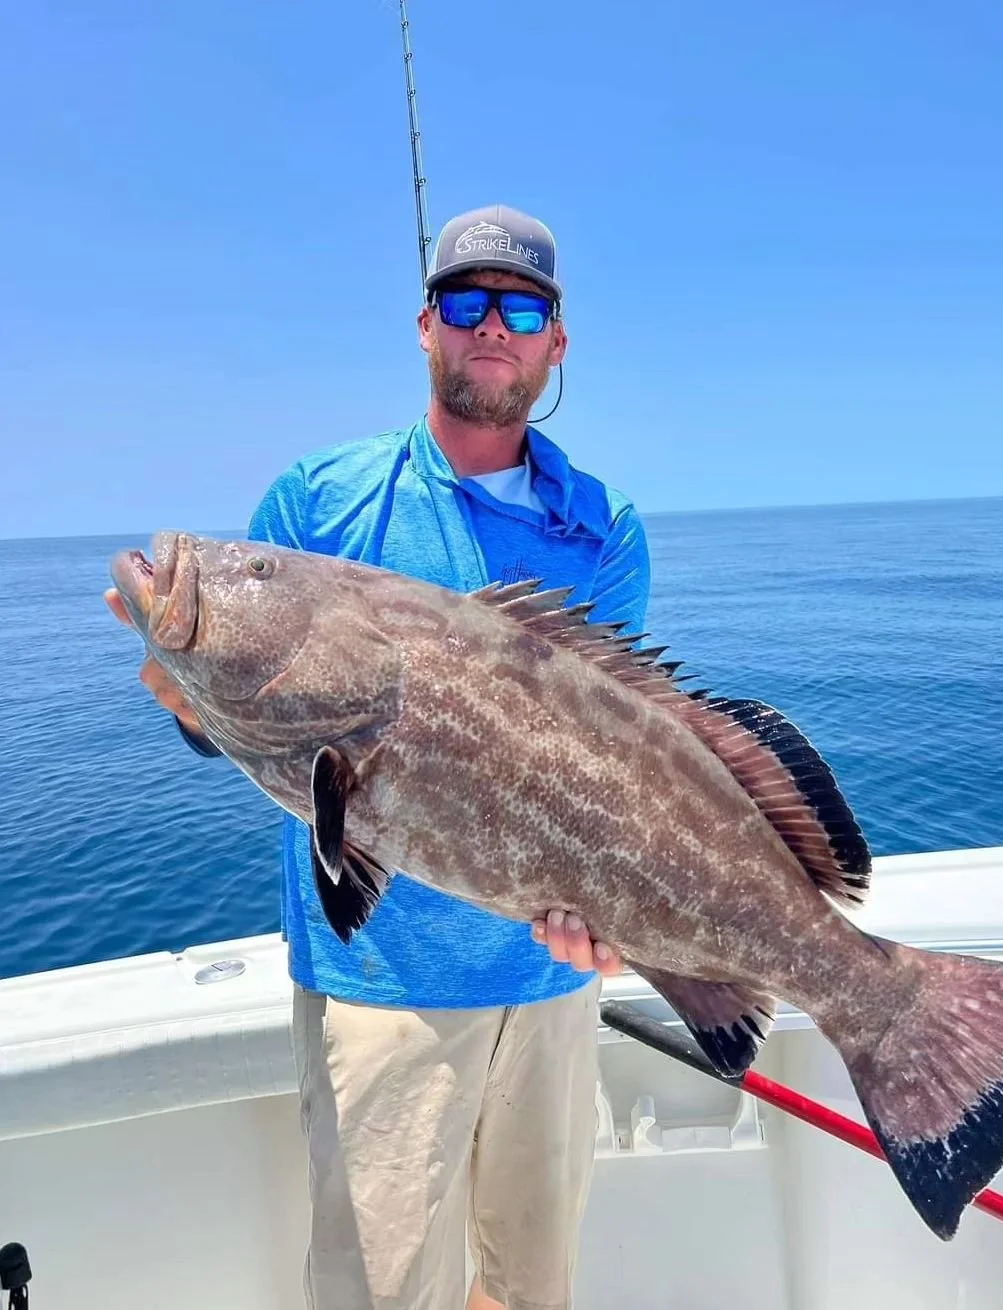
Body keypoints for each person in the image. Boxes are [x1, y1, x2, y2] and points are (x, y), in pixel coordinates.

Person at [105, 203, 652, 1310]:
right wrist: (191, 697)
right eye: (465, 301)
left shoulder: (603, 527)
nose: (490, 326)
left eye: (520, 306)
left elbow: (621, 759)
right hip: (383, 983)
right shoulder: (317, 501)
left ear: (554, 342)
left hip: (550, 982)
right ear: (425, 327)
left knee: (529, 1285)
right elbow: (263, 732)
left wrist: (619, 922)